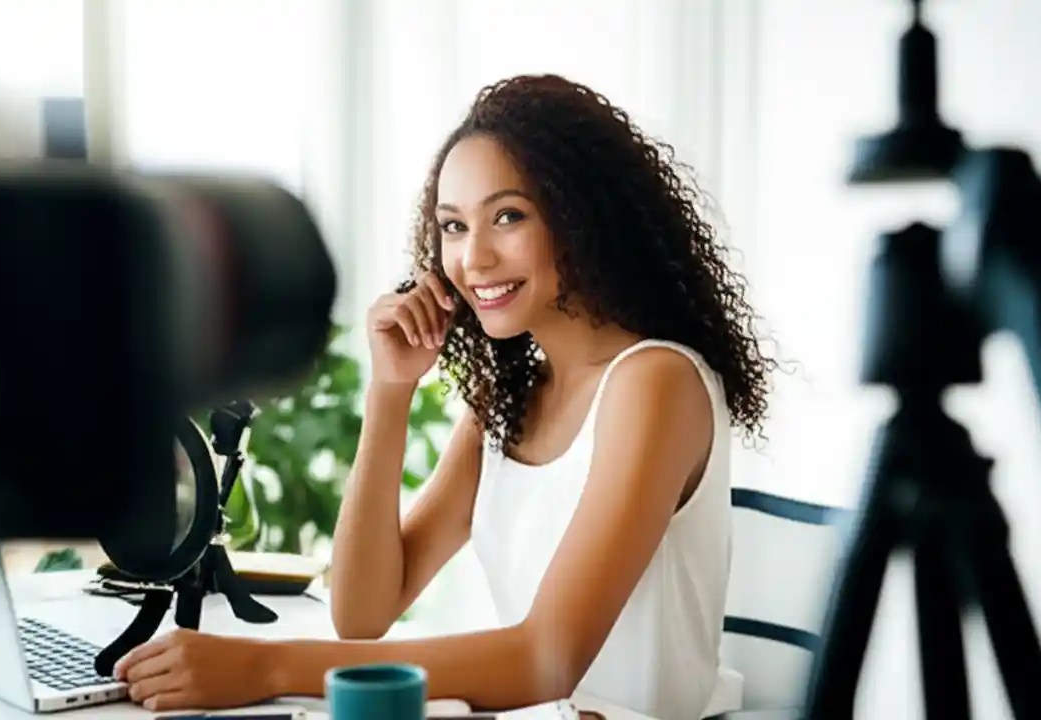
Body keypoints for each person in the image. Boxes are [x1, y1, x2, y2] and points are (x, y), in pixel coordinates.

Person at [113, 73, 776, 720]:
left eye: (508, 216)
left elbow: (546, 659)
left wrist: (265, 667)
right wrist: (391, 390)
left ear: (585, 220)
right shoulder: (511, 397)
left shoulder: (652, 382)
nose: (474, 259)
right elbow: (364, 612)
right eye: (453, 227)